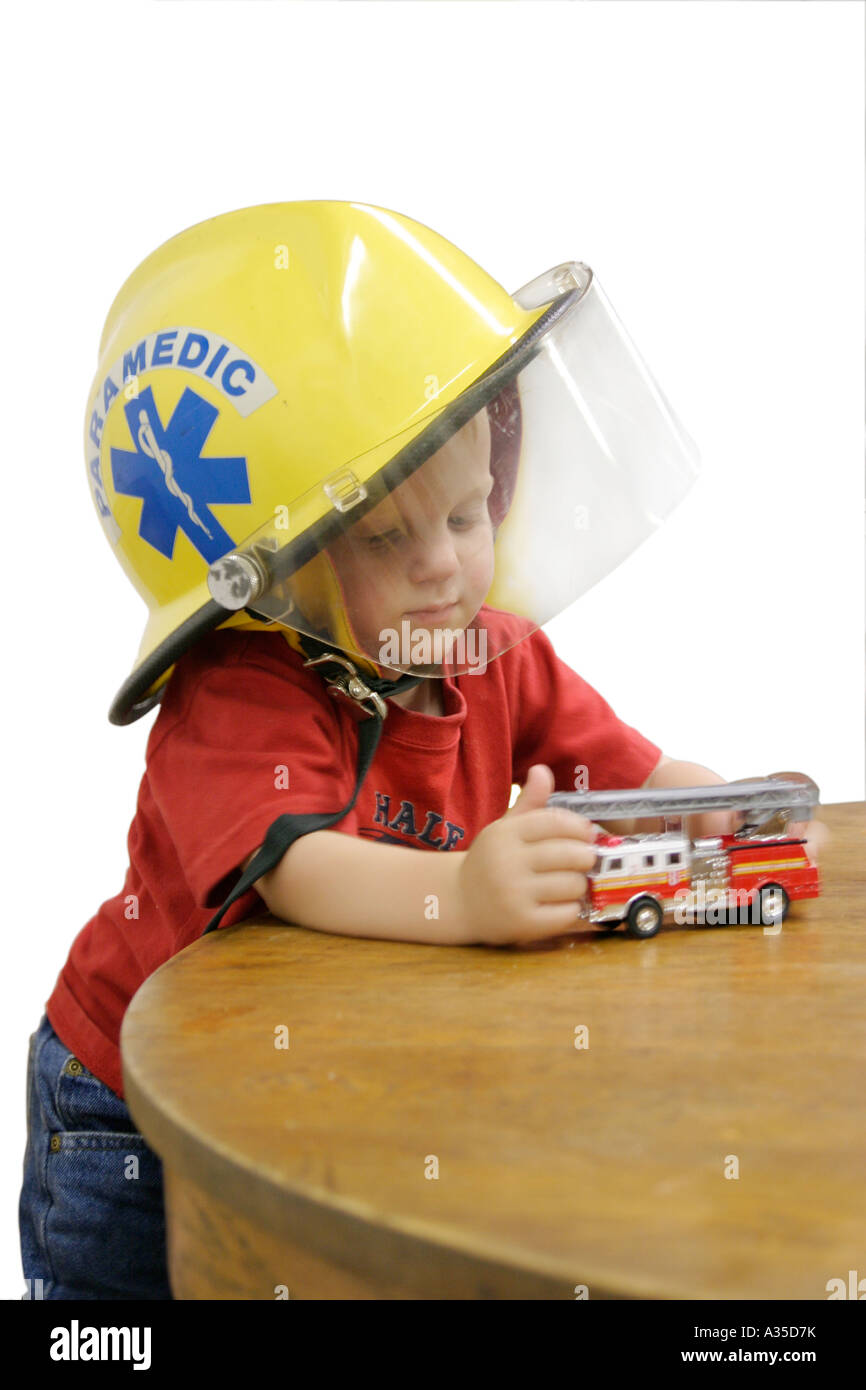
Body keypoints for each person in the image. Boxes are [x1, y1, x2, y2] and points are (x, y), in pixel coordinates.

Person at [19, 201, 826, 1300]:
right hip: (130, 1100)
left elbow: (632, 774)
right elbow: (299, 868)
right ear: (278, 568)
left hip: (306, 1079)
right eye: (386, 537)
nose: (446, 566)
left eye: (464, 514)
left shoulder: (492, 651)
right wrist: (463, 893)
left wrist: (730, 808)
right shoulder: (240, 690)